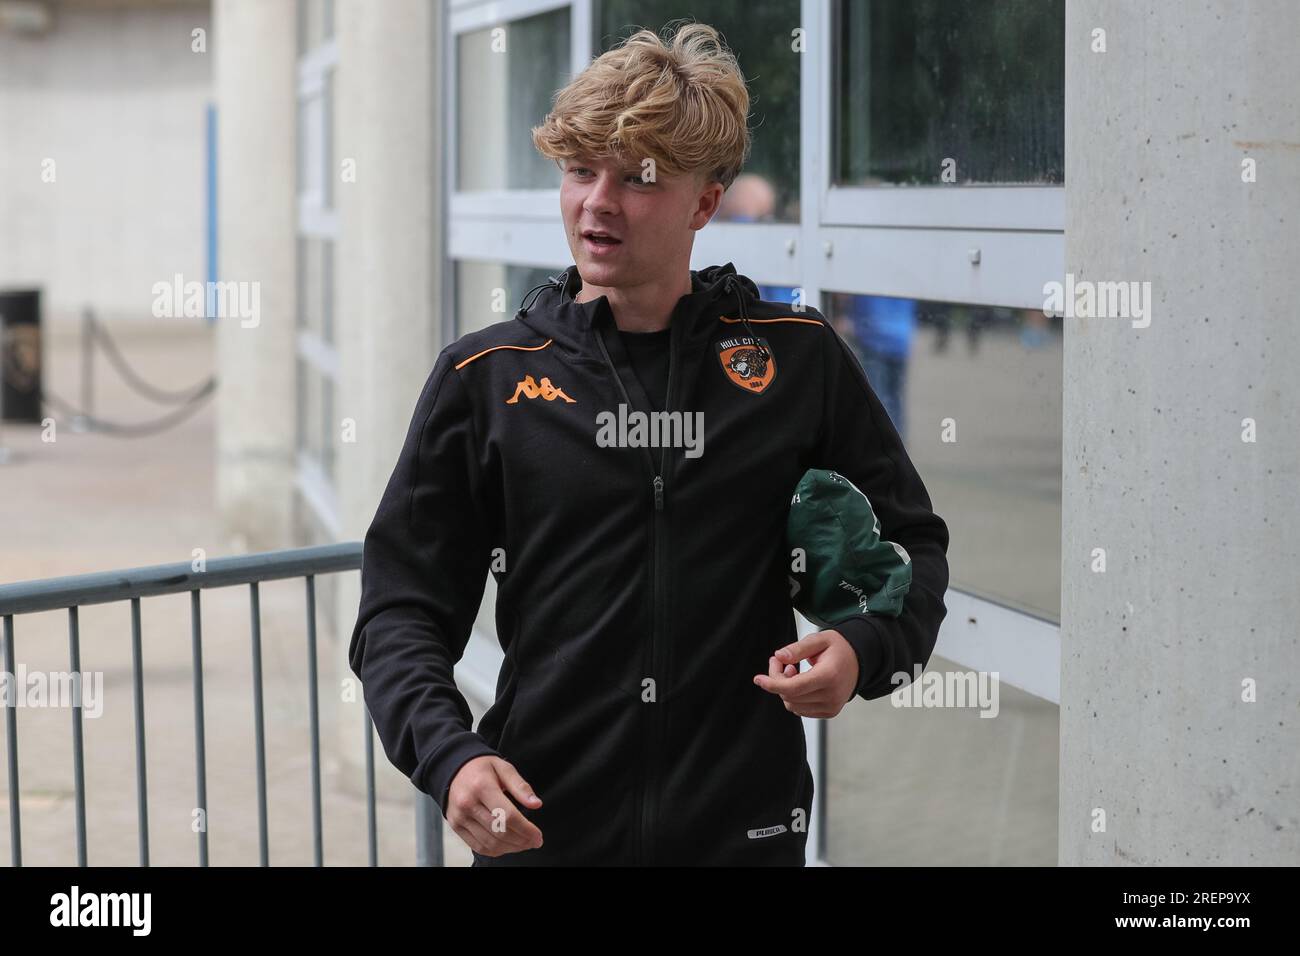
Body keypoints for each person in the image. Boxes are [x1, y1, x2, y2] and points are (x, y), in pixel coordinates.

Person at [348, 22, 950, 867]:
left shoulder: (797, 360)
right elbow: (399, 609)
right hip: (544, 830)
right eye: (577, 170)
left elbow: (913, 542)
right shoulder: (484, 378)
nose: (598, 200)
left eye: (637, 179)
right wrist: (450, 757)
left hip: (744, 830)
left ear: (705, 202)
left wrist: (865, 648)